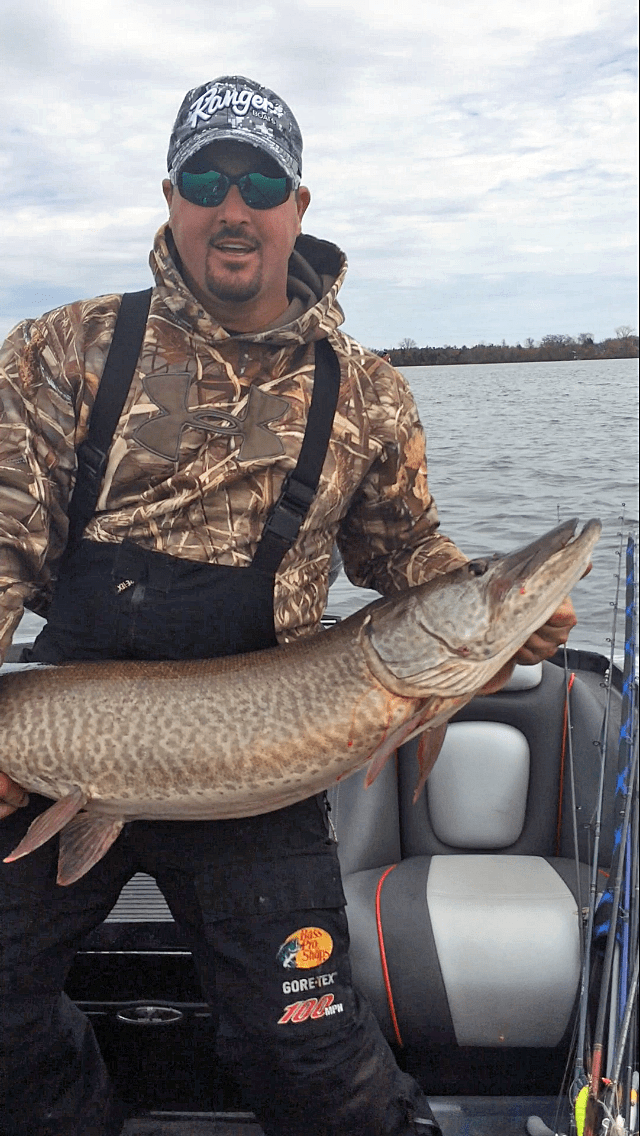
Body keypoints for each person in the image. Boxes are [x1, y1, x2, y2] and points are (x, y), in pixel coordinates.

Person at [0, 76, 577, 1136]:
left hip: (256, 784)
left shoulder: (362, 391)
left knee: (307, 1048)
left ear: (296, 203)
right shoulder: (64, 351)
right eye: (208, 177)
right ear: (171, 196)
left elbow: (409, 558)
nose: (235, 203)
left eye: (260, 178)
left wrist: (501, 610)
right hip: (62, 743)